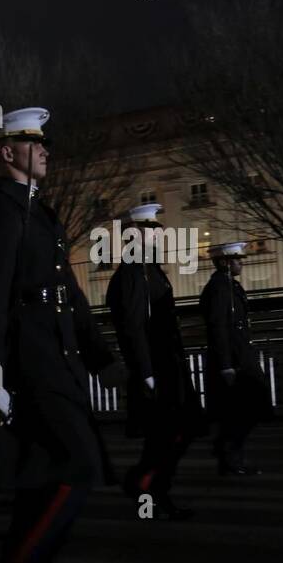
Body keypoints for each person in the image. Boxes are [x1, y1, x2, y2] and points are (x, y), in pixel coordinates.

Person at [0, 106, 123, 563]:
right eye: (35, 145)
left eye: (45, 144)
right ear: (8, 153)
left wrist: (103, 361)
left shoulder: (39, 212)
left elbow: (69, 296)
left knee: (40, 478)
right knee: (78, 464)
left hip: (58, 358)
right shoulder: (1, 213)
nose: (46, 151)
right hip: (30, 363)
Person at [105, 203, 205, 515]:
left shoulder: (149, 270)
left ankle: (146, 484)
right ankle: (150, 489)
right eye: (151, 231)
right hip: (157, 369)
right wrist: (145, 371)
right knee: (168, 434)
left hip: (167, 365)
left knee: (177, 431)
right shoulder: (134, 273)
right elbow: (133, 326)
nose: (157, 236)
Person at [201, 241, 272, 475]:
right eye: (237, 260)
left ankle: (228, 454)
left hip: (239, 356)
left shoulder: (229, 286)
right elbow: (218, 327)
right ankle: (229, 455)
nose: (241, 263)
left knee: (244, 409)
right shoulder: (221, 288)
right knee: (245, 408)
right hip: (234, 360)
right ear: (224, 262)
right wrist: (226, 365)